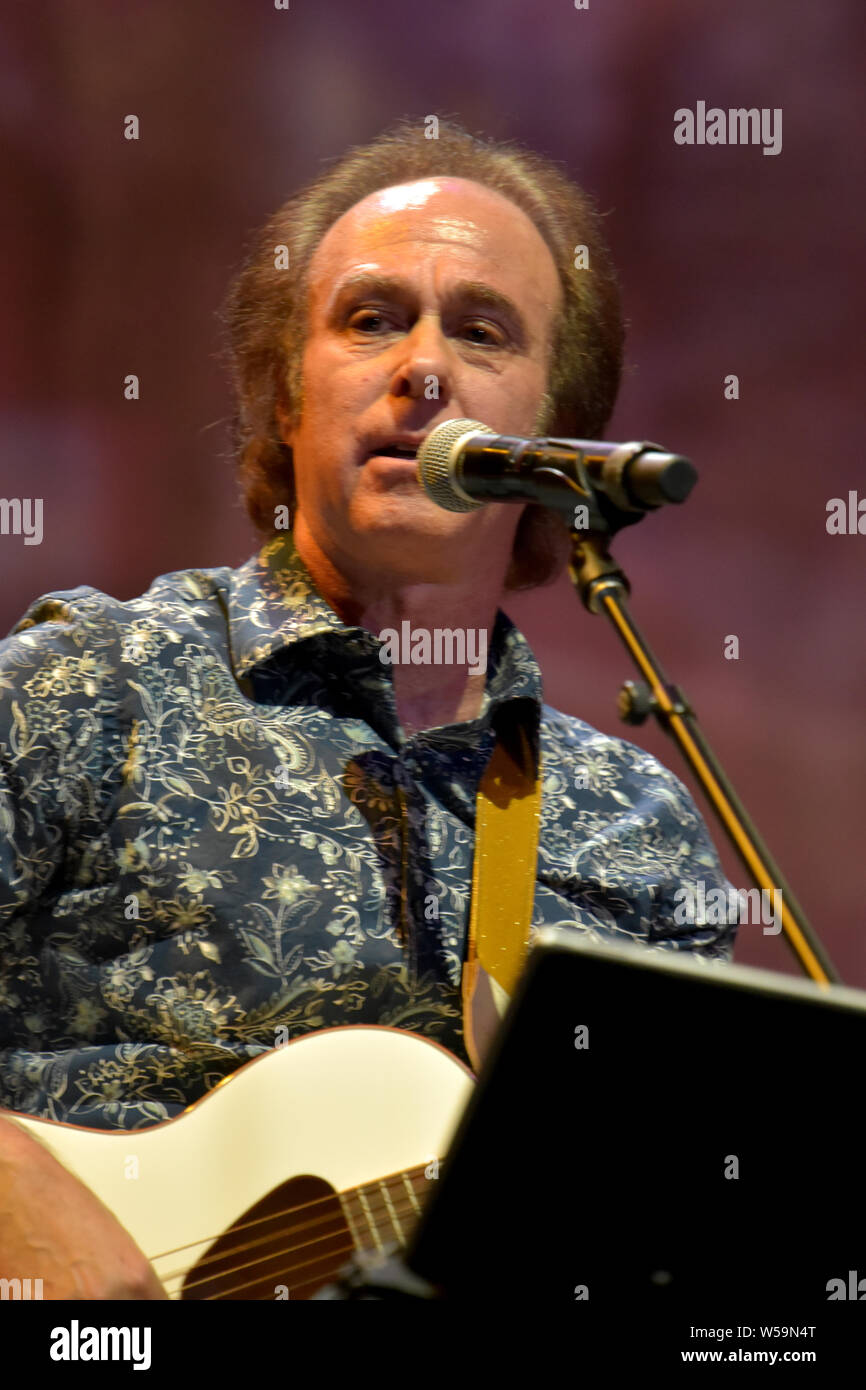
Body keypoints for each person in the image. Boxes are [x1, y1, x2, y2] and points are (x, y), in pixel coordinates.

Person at [0, 120, 737, 1298]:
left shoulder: (635, 829)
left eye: (481, 329)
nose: (426, 368)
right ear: (283, 401)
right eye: (372, 318)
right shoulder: (93, 684)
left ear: (550, 439)